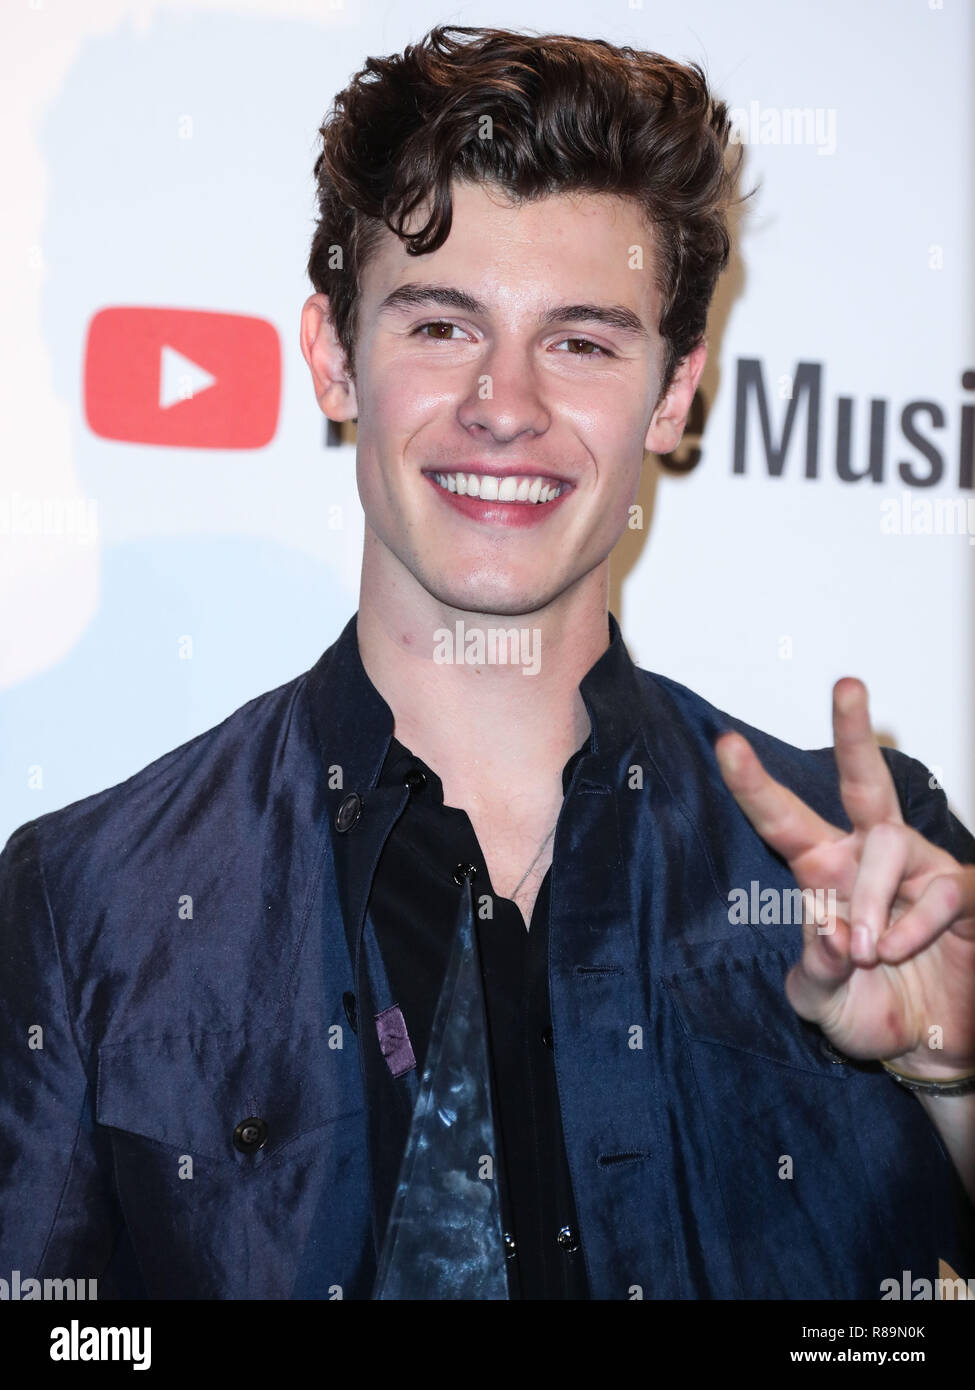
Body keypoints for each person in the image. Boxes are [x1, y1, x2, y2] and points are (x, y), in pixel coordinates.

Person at [1, 24, 973, 1301]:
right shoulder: (92, 905)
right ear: (335, 355)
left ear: (674, 394)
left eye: (581, 341)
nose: (504, 404)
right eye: (444, 324)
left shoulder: (879, 874)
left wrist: (957, 1080)